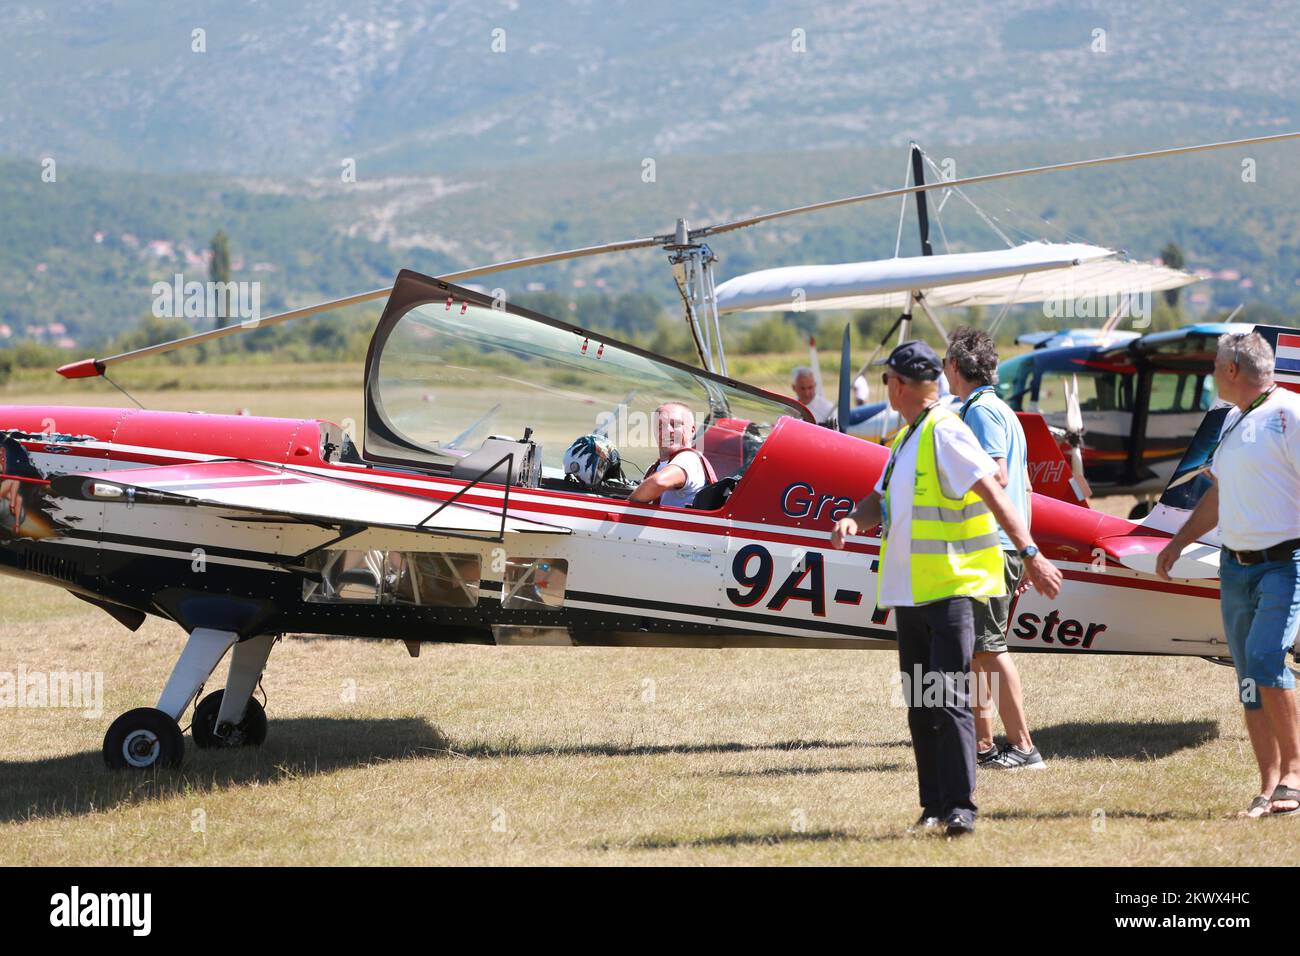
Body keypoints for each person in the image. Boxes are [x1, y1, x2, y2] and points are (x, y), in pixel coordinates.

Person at [830, 340, 1062, 836]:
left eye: (889, 380)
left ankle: (960, 807)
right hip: (910, 593)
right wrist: (854, 519)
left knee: (949, 696)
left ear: (898, 385)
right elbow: (877, 499)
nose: (887, 388)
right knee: (920, 701)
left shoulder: (946, 431)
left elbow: (993, 490)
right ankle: (932, 806)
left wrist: (1031, 555)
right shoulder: (905, 438)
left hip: (953, 590)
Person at [1156, 331, 1300, 819]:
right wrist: (1177, 543)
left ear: (1234, 370)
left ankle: (1296, 774)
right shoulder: (1235, 421)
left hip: (1283, 564)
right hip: (1234, 569)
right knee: (1246, 678)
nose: (1212, 372)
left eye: (1216, 364)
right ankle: (1268, 784)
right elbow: (1215, 498)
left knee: (1264, 659)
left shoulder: (1289, 415)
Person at [943, 327, 1046, 771]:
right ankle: (983, 746)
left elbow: (998, 476)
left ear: (954, 368)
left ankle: (1024, 747)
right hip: (1003, 546)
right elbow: (1023, 483)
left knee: (989, 648)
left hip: (990, 547)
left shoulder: (981, 413)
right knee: (977, 652)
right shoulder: (1000, 410)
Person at [630, 402, 715, 508]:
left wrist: (625, 505)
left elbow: (658, 482)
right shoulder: (655, 467)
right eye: (661, 426)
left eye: (675, 425)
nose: (667, 430)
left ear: (692, 430)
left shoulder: (688, 459)